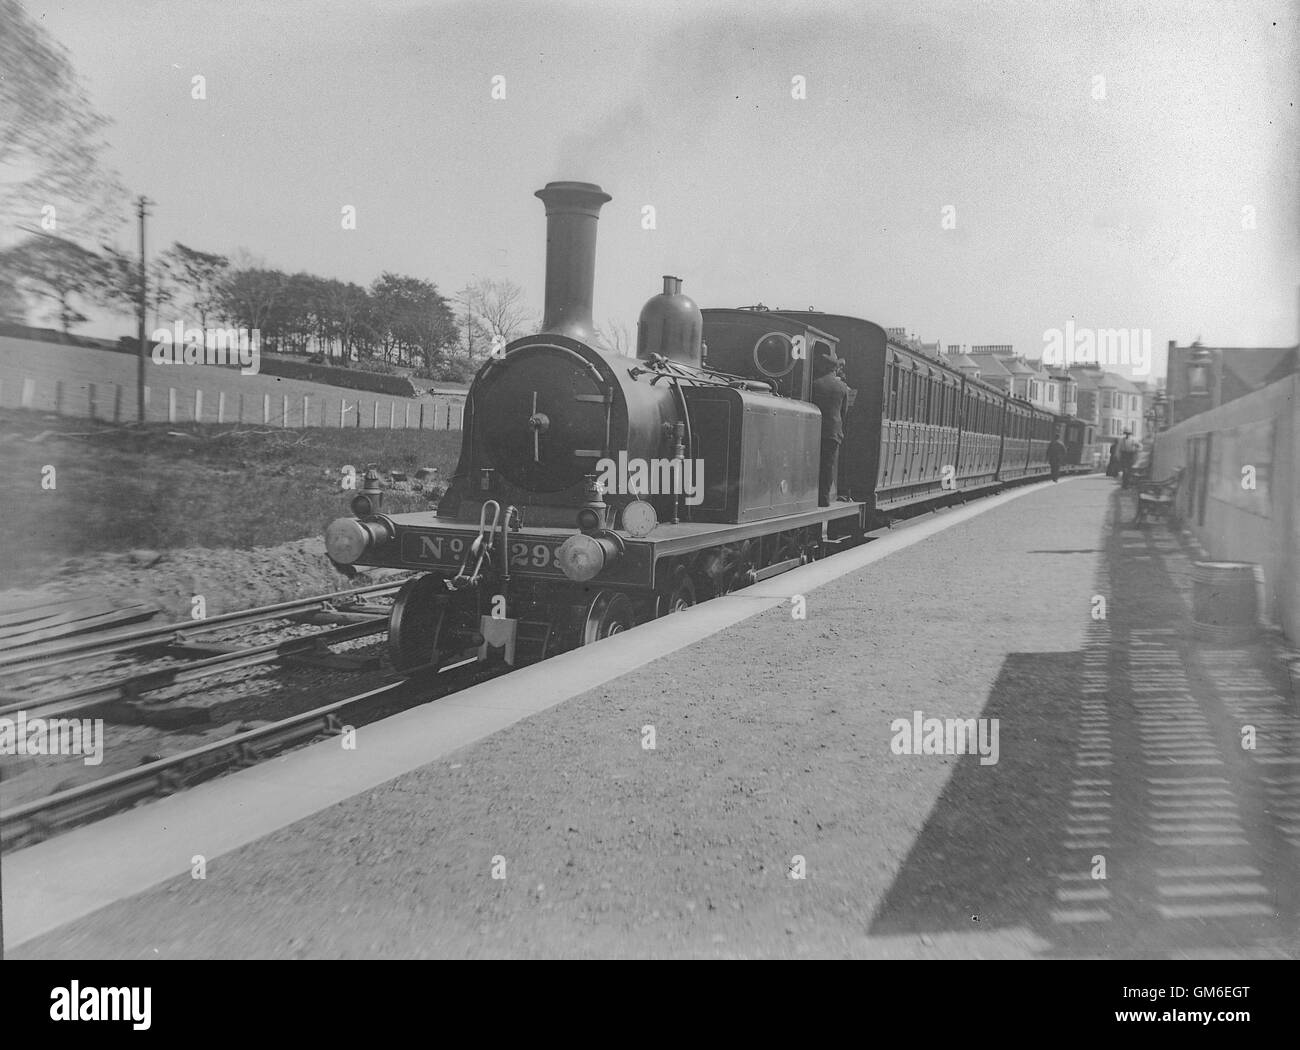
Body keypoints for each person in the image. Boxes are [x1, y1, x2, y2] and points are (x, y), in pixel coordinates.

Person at [810, 348, 850, 506]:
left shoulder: (815, 384)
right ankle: (824, 498)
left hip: (815, 429)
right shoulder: (842, 387)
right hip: (833, 431)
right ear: (835, 368)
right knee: (828, 465)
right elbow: (844, 412)